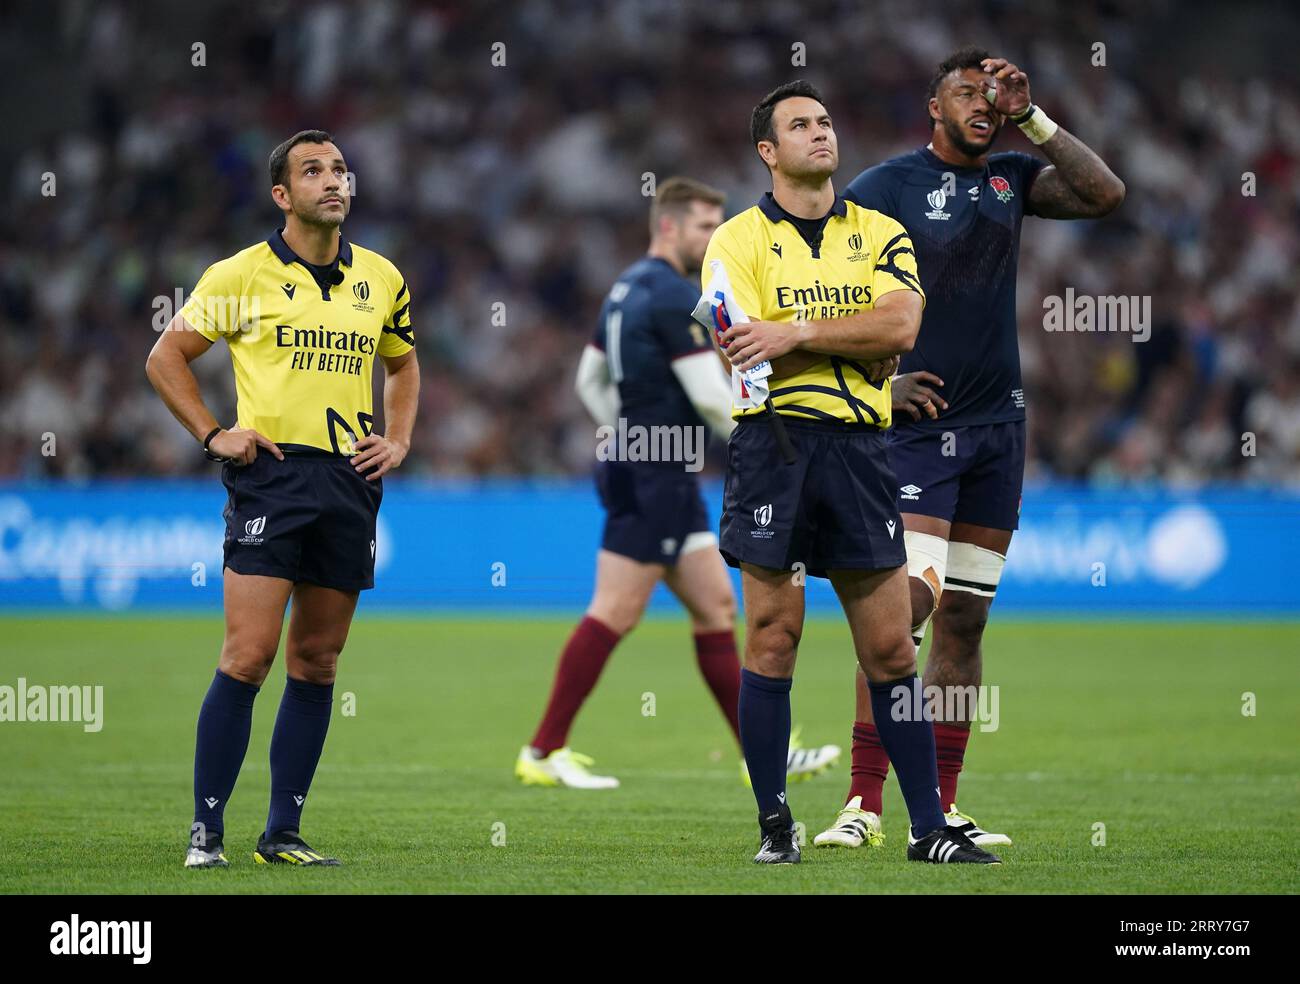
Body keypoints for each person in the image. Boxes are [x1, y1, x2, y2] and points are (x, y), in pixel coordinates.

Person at [815, 47, 1124, 850]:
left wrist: (1034, 116)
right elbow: (821, 283)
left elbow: (1104, 193)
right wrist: (873, 389)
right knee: (904, 614)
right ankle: (863, 803)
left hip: (998, 435)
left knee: (964, 624)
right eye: (967, 93)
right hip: (916, 434)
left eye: (993, 95)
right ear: (933, 107)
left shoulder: (1013, 178)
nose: (983, 103)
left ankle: (943, 804)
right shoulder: (883, 188)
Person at [706, 81, 1000, 865]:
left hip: (862, 453)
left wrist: (794, 329)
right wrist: (852, 342)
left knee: (893, 650)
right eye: (800, 125)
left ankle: (928, 828)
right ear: (768, 151)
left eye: (826, 121)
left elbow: (902, 323)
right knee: (774, 638)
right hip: (776, 448)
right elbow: (741, 348)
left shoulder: (880, 231)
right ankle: (775, 827)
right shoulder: (734, 240)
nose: (821, 133)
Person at [146, 130, 420, 868]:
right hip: (271, 475)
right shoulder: (240, 275)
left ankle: (283, 834)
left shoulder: (382, 278)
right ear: (282, 195)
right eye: (312, 170)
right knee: (248, 654)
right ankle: (207, 831)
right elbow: (165, 355)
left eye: (338, 169)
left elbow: (403, 364)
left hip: (348, 480)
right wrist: (212, 434)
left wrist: (397, 438)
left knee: (319, 662)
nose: (333, 180)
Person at [516, 177, 841, 789]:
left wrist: (626, 434)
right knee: (615, 608)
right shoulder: (672, 295)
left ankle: (762, 755)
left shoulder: (624, 287)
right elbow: (712, 400)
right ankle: (542, 752)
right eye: (702, 226)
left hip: (646, 465)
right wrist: (779, 443)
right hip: (657, 476)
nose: (712, 238)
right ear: (668, 225)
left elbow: (589, 380)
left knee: (716, 607)